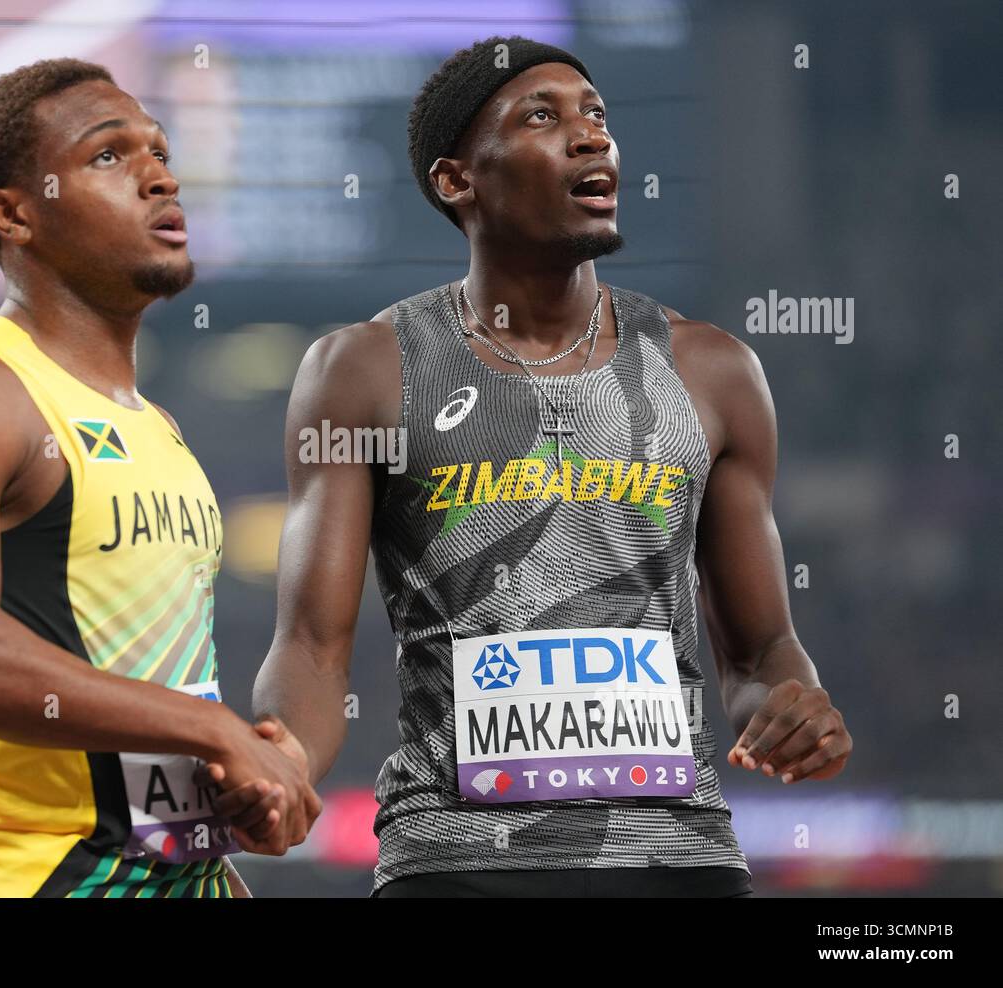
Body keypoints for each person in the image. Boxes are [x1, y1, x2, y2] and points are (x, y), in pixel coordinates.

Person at [249, 36, 852, 897]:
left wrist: (798, 710)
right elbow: (311, 644)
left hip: (676, 857)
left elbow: (760, 659)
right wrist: (283, 756)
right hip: (456, 858)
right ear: (455, 180)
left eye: (597, 116)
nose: (591, 137)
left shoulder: (712, 371)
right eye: (543, 116)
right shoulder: (366, 369)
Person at [0, 58, 318, 898]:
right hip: (26, 877)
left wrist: (235, 790)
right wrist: (210, 727)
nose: (159, 175)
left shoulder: (160, 429)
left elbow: (153, 692)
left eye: (159, 149)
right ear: (14, 214)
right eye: (108, 156)